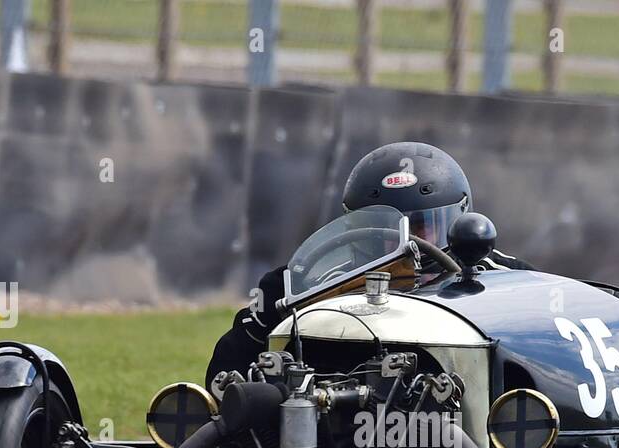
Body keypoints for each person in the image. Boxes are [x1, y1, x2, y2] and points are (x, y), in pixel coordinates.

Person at [206, 142, 531, 383]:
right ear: (355, 228)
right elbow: (223, 379)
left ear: (460, 222)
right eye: (383, 229)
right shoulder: (302, 285)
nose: (406, 246)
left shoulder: (507, 280)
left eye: (420, 229)